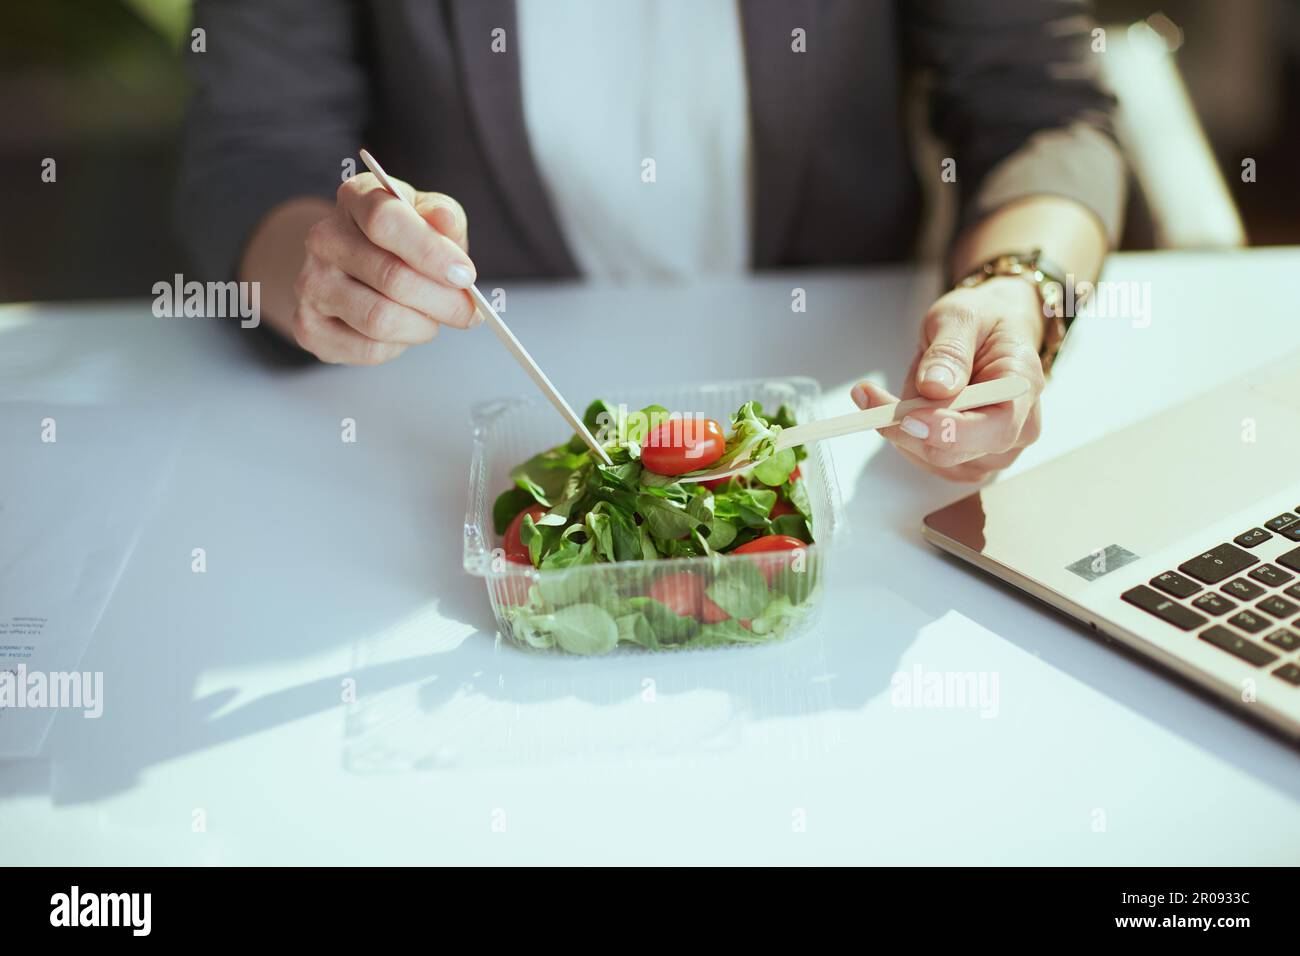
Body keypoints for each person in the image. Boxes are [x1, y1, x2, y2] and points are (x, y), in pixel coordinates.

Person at [176, 0, 1125, 482]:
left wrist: (1018, 288)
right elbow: (253, 154)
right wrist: (327, 271)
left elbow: (1039, 110)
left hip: (847, 417)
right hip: (435, 430)